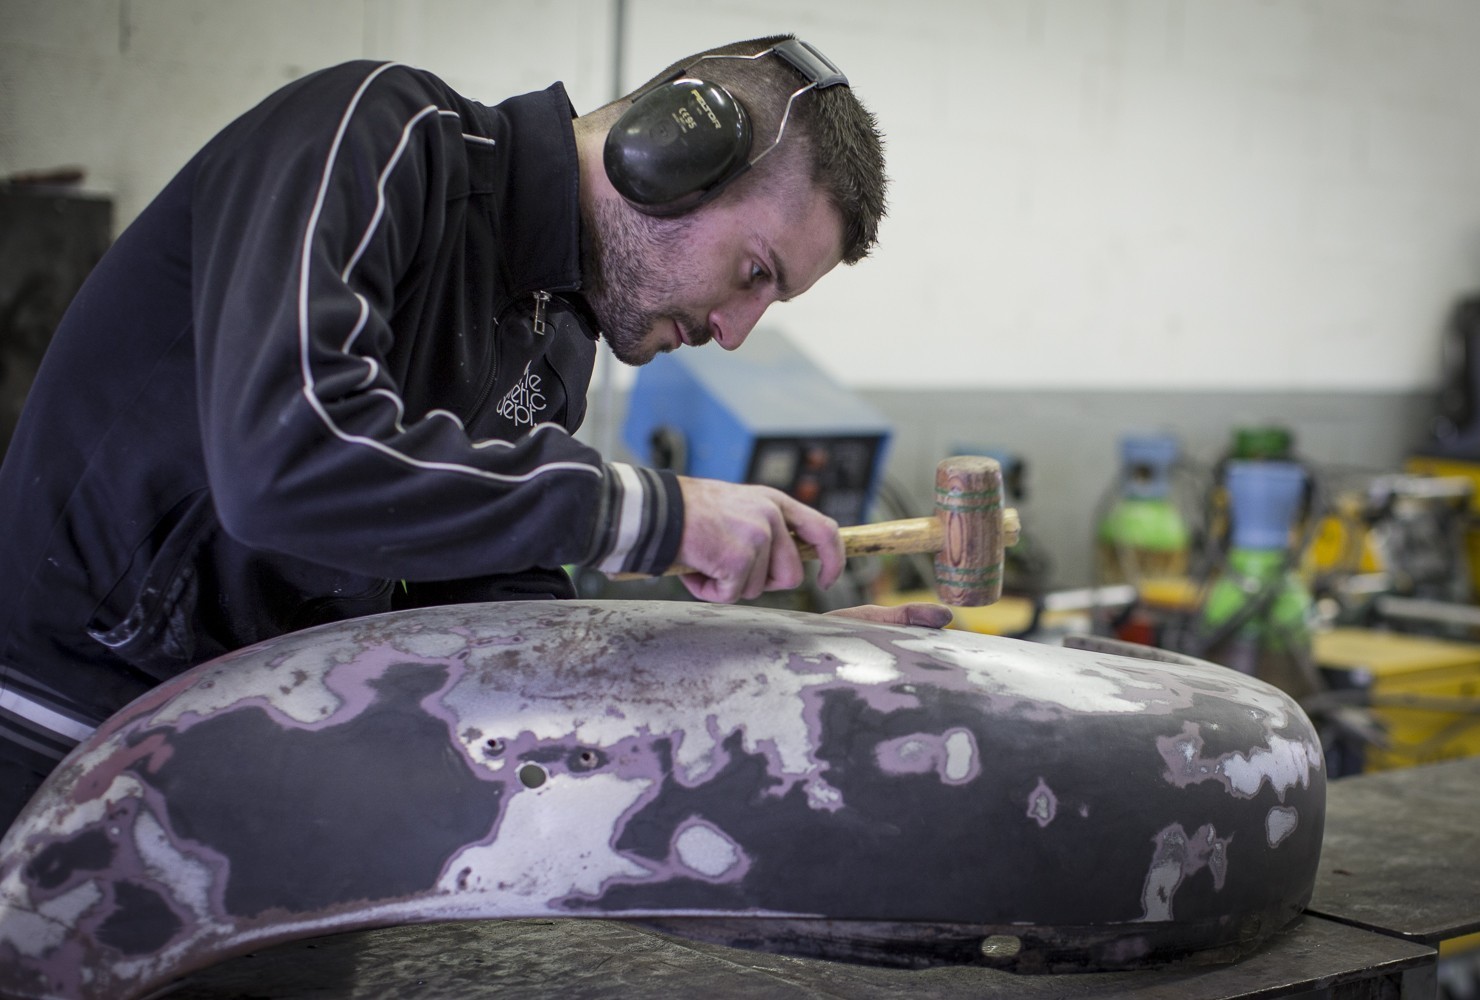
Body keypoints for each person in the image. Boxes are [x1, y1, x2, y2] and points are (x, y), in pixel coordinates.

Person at [0, 34, 948, 832]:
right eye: (753, 272)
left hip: (223, 777)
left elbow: (509, 630)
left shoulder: (553, 343)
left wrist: (746, 660)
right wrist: (653, 511)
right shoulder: (379, 135)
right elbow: (285, 459)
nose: (736, 332)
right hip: (47, 740)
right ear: (664, 155)